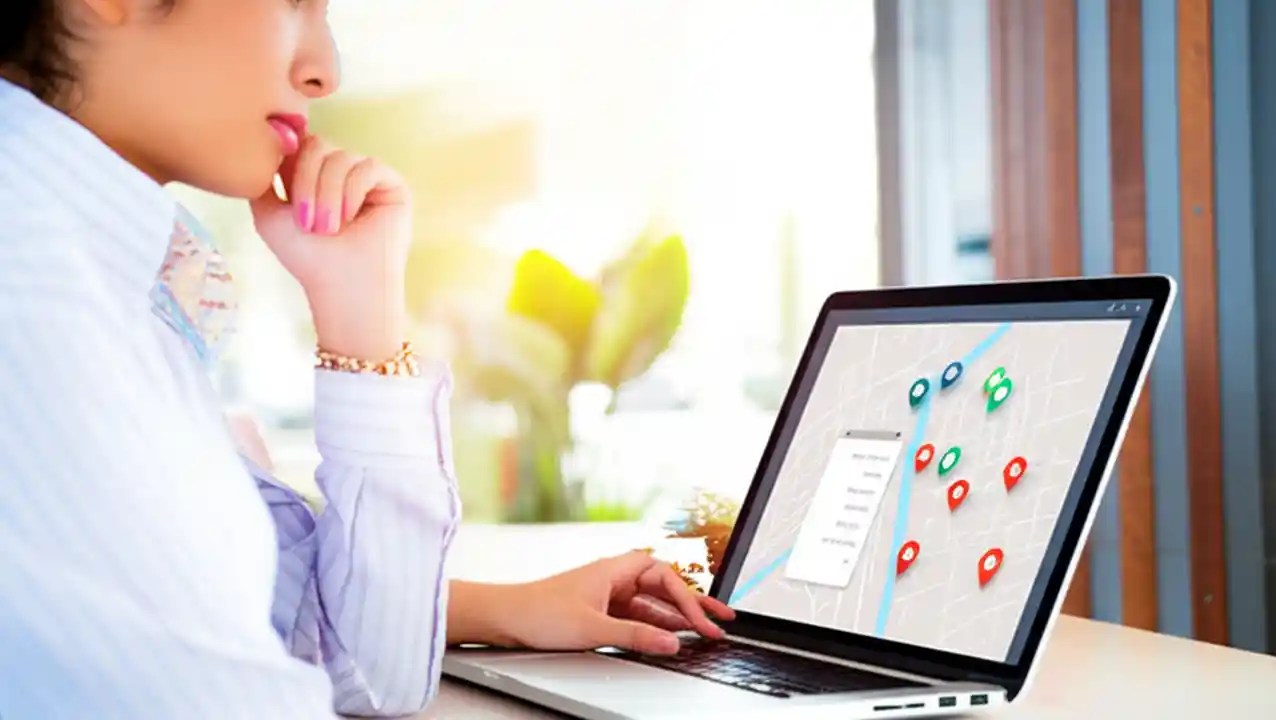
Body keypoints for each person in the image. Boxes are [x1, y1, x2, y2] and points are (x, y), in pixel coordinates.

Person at [0, 1, 733, 717]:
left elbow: (359, 668)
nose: (326, 72)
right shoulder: (36, 292)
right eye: (295, 3)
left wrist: (361, 314)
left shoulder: (106, 273)